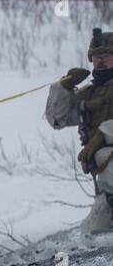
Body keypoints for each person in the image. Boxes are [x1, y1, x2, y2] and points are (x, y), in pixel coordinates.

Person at [45, 28, 113, 234]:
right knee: (93, 233)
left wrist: (102, 135)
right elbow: (57, 119)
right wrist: (63, 87)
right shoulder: (89, 94)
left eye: (107, 56)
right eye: (96, 57)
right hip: (105, 179)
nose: (100, 61)